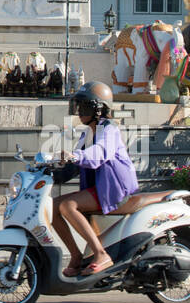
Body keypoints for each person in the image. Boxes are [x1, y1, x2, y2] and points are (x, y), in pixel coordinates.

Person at [51, 82, 139, 278]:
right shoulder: (88, 132)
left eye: (85, 106)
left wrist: (75, 156)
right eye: (79, 105)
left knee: (67, 205)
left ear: (99, 109)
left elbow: (99, 153)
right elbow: (76, 164)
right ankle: (75, 256)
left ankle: (101, 254)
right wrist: (51, 172)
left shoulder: (109, 130)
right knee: (53, 206)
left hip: (114, 190)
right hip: (100, 189)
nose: (80, 110)